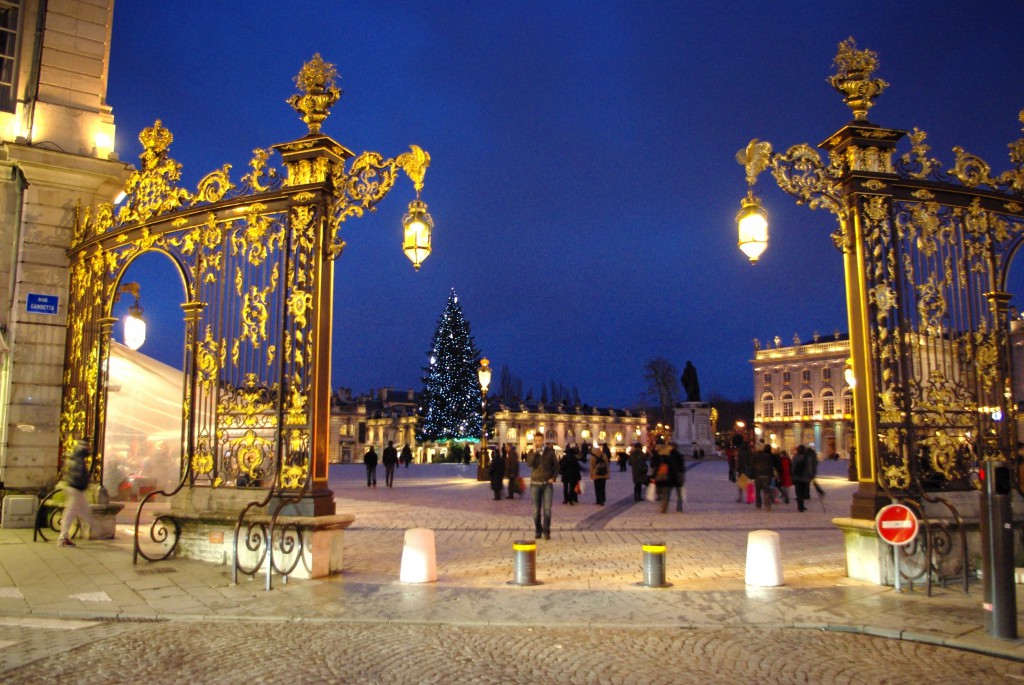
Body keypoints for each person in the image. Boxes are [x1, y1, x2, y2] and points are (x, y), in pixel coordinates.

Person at [57, 438, 95, 547]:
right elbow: (78, 473)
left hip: (74, 487)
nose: (90, 449)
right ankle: (63, 538)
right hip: (76, 488)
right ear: (85, 446)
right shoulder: (79, 456)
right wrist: (84, 483)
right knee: (73, 512)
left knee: (80, 511)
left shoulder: (77, 455)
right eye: (88, 446)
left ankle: (95, 528)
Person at [525, 432, 558, 540]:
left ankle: (546, 531)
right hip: (535, 484)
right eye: (536, 441)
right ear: (534, 441)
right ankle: (538, 530)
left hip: (547, 484)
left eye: (540, 440)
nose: (538, 442)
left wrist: (553, 477)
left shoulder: (550, 452)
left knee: (547, 510)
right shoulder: (531, 452)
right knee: (536, 511)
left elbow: (556, 466)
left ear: (543, 440)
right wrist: (534, 453)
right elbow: (529, 464)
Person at [750, 442, 775, 511]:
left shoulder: (754, 456)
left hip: (757, 475)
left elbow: (752, 467)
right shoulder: (767, 456)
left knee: (758, 492)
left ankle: (758, 505)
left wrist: (751, 477)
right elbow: (770, 466)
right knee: (766, 491)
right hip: (766, 475)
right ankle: (768, 505)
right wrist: (772, 475)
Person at [651, 436, 673, 511]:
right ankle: (664, 505)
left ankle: (660, 497)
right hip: (667, 475)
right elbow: (671, 466)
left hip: (659, 475)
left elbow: (654, 466)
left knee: (660, 487)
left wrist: (653, 476)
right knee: (666, 491)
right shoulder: (668, 455)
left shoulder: (657, 455)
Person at [791, 444, 813, 512]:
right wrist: (810, 475)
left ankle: (800, 506)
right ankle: (802, 505)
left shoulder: (795, 457)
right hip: (805, 477)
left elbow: (793, 467)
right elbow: (809, 468)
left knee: (798, 492)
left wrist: (792, 474)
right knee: (803, 492)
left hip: (797, 477)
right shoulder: (807, 458)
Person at [667, 443, 686, 512]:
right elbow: (682, 468)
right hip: (678, 476)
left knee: (668, 492)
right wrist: (682, 476)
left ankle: (665, 506)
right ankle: (679, 507)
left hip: (670, 476)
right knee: (679, 494)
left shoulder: (668, 456)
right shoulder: (680, 456)